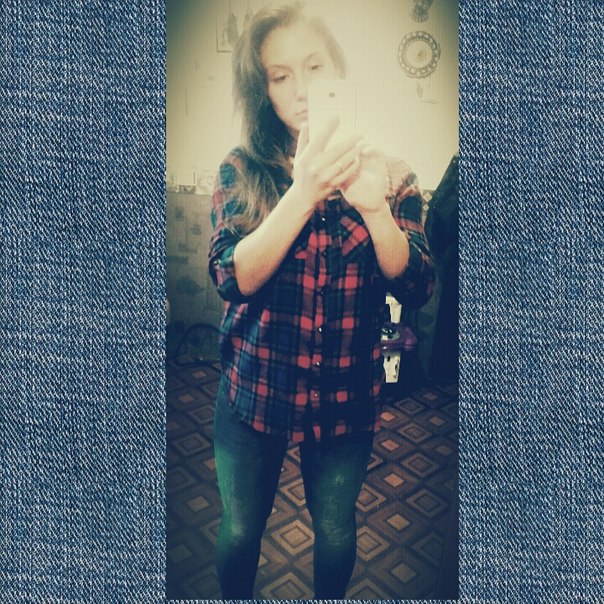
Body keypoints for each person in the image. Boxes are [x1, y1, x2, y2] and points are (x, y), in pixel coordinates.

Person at [208, 1, 435, 598]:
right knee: (240, 532)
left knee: (335, 529)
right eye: (280, 76)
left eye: (314, 67)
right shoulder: (241, 169)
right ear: (263, 91)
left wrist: (375, 210)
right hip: (255, 389)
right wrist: (302, 191)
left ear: (338, 67)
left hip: (345, 397)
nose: (302, 89)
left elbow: (417, 286)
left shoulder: (389, 174)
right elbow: (230, 277)